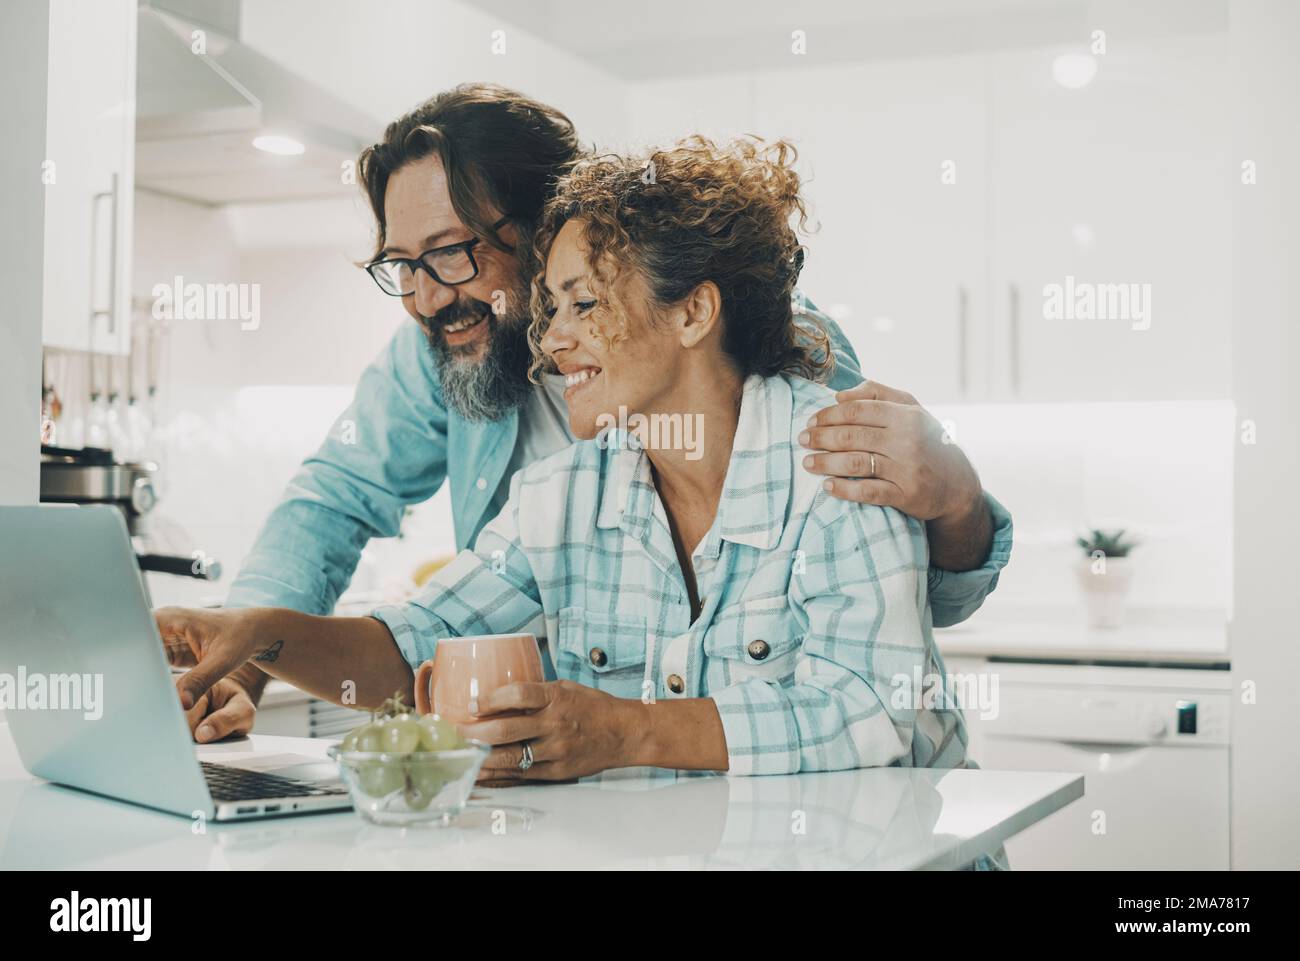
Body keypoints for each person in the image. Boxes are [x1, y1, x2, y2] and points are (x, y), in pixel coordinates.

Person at [179, 83, 1011, 745]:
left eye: (451, 252)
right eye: (403, 264)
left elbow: (880, 651)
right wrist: (249, 642)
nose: (427, 295)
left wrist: (958, 505)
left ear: (550, 231)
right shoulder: (549, 467)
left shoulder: (807, 406)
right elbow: (353, 531)